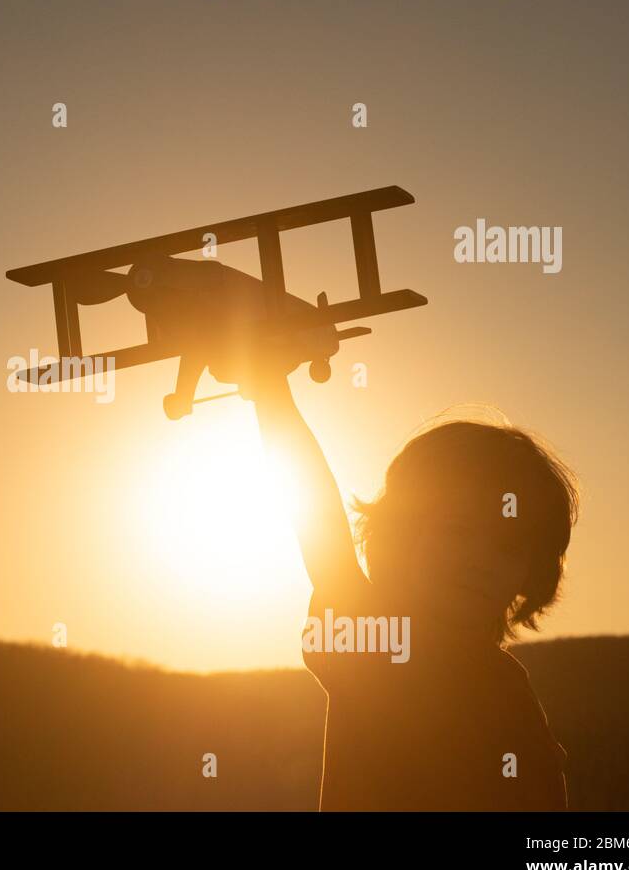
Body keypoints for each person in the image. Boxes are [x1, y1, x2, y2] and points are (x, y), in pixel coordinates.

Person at [231, 337, 578, 810]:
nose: (479, 558)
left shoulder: (507, 684)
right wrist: (271, 392)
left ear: (530, 572)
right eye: (459, 531)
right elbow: (320, 523)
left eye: (508, 545)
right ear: (402, 534)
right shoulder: (382, 642)